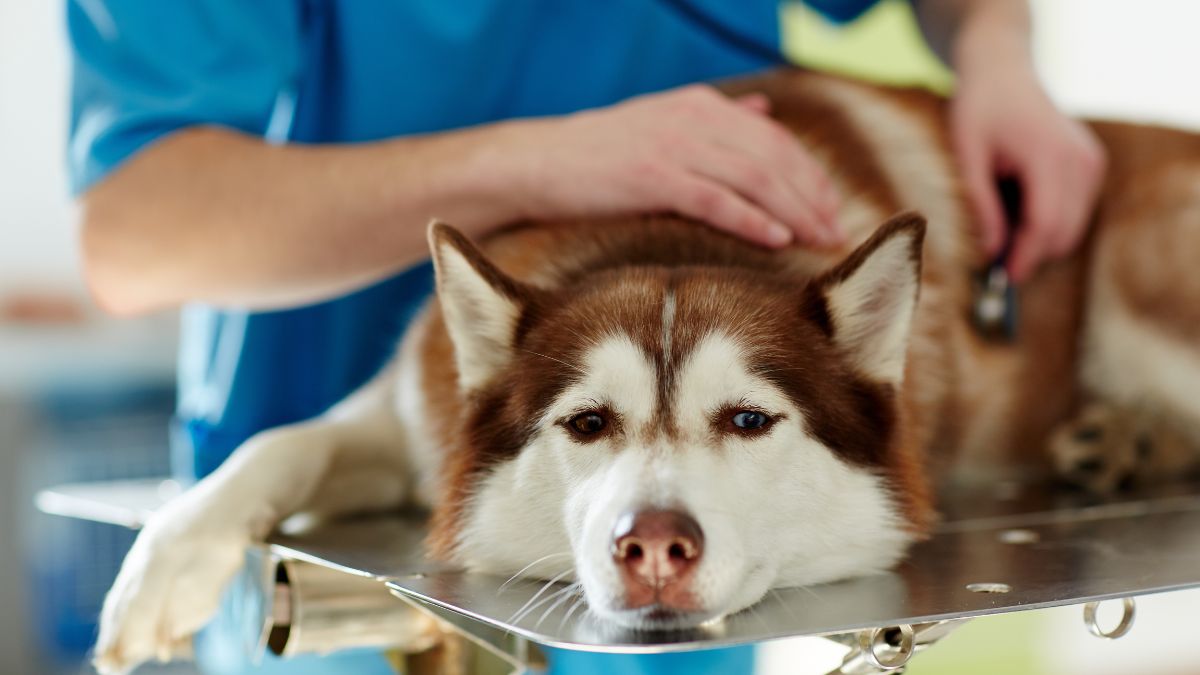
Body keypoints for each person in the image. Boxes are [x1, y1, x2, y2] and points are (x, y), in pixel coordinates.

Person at [68, 1, 1104, 673]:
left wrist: (997, 50)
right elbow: (133, 231)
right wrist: (538, 163)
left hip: (684, 581)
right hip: (348, 536)